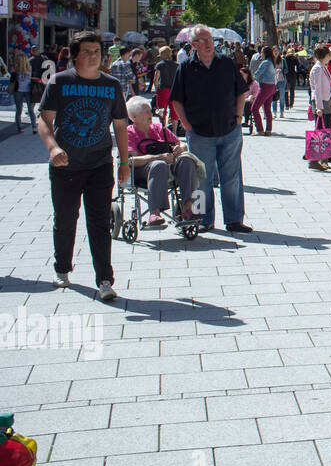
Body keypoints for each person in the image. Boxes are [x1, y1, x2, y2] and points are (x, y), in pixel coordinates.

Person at [36, 30, 130, 300]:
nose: (92, 56)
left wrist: (124, 162)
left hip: (99, 164)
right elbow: (44, 120)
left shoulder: (111, 85)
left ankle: (104, 280)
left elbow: (120, 126)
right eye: (87, 52)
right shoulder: (60, 82)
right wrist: (53, 148)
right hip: (65, 165)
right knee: (65, 219)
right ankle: (62, 269)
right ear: (75, 55)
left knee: (99, 222)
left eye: (97, 52)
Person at [168, 24, 253, 233]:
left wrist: (239, 116)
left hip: (229, 129)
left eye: (210, 40)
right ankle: (203, 220)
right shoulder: (186, 67)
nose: (208, 44)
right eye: (203, 41)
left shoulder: (226, 63)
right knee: (201, 180)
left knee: (232, 177)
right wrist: (186, 124)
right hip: (200, 133)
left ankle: (234, 220)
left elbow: (241, 92)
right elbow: (176, 100)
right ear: (194, 44)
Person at [125, 95, 199, 228]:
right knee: (159, 165)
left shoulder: (159, 128)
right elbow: (132, 160)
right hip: (143, 170)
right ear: (134, 117)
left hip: (167, 167)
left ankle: (188, 206)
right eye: (146, 111)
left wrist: (179, 148)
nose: (150, 114)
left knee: (187, 160)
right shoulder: (129, 133)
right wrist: (158, 157)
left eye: (149, 110)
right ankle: (154, 212)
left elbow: (181, 144)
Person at [307, 44, 331, 171]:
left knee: (326, 131)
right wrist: (318, 107)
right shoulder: (317, 69)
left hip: (326, 101)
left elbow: (326, 88)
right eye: (329, 54)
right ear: (324, 55)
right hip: (320, 103)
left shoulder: (323, 67)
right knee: (319, 132)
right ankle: (313, 159)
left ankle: (324, 158)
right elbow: (316, 90)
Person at [250, 45, 277, 135]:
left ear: (265, 53)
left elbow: (257, 74)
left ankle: (260, 130)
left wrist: (251, 78)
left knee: (254, 108)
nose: (260, 54)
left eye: (261, 52)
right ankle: (268, 129)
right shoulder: (272, 62)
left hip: (265, 86)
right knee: (267, 109)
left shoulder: (265, 62)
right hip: (272, 86)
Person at [152, 46, 179, 132]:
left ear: (163, 54)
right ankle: (174, 133)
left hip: (163, 90)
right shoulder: (176, 65)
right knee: (174, 112)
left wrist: (156, 90)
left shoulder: (160, 64)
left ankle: (163, 131)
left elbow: (156, 79)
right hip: (174, 90)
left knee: (162, 111)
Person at [9, 54, 36, 133]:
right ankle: (19, 127)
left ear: (23, 60)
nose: (17, 60)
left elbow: (34, 78)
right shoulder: (16, 68)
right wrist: (13, 73)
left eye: (18, 59)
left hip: (28, 91)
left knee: (31, 109)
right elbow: (12, 80)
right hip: (18, 91)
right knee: (19, 109)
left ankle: (34, 126)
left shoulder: (30, 68)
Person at [272, 47, 287, 118]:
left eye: (277, 51)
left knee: (281, 97)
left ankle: (282, 112)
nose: (276, 52)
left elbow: (286, 69)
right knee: (274, 97)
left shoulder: (282, 60)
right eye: (274, 51)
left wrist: (281, 70)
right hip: (273, 81)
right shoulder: (270, 60)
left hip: (281, 80)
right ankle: (274, 112)